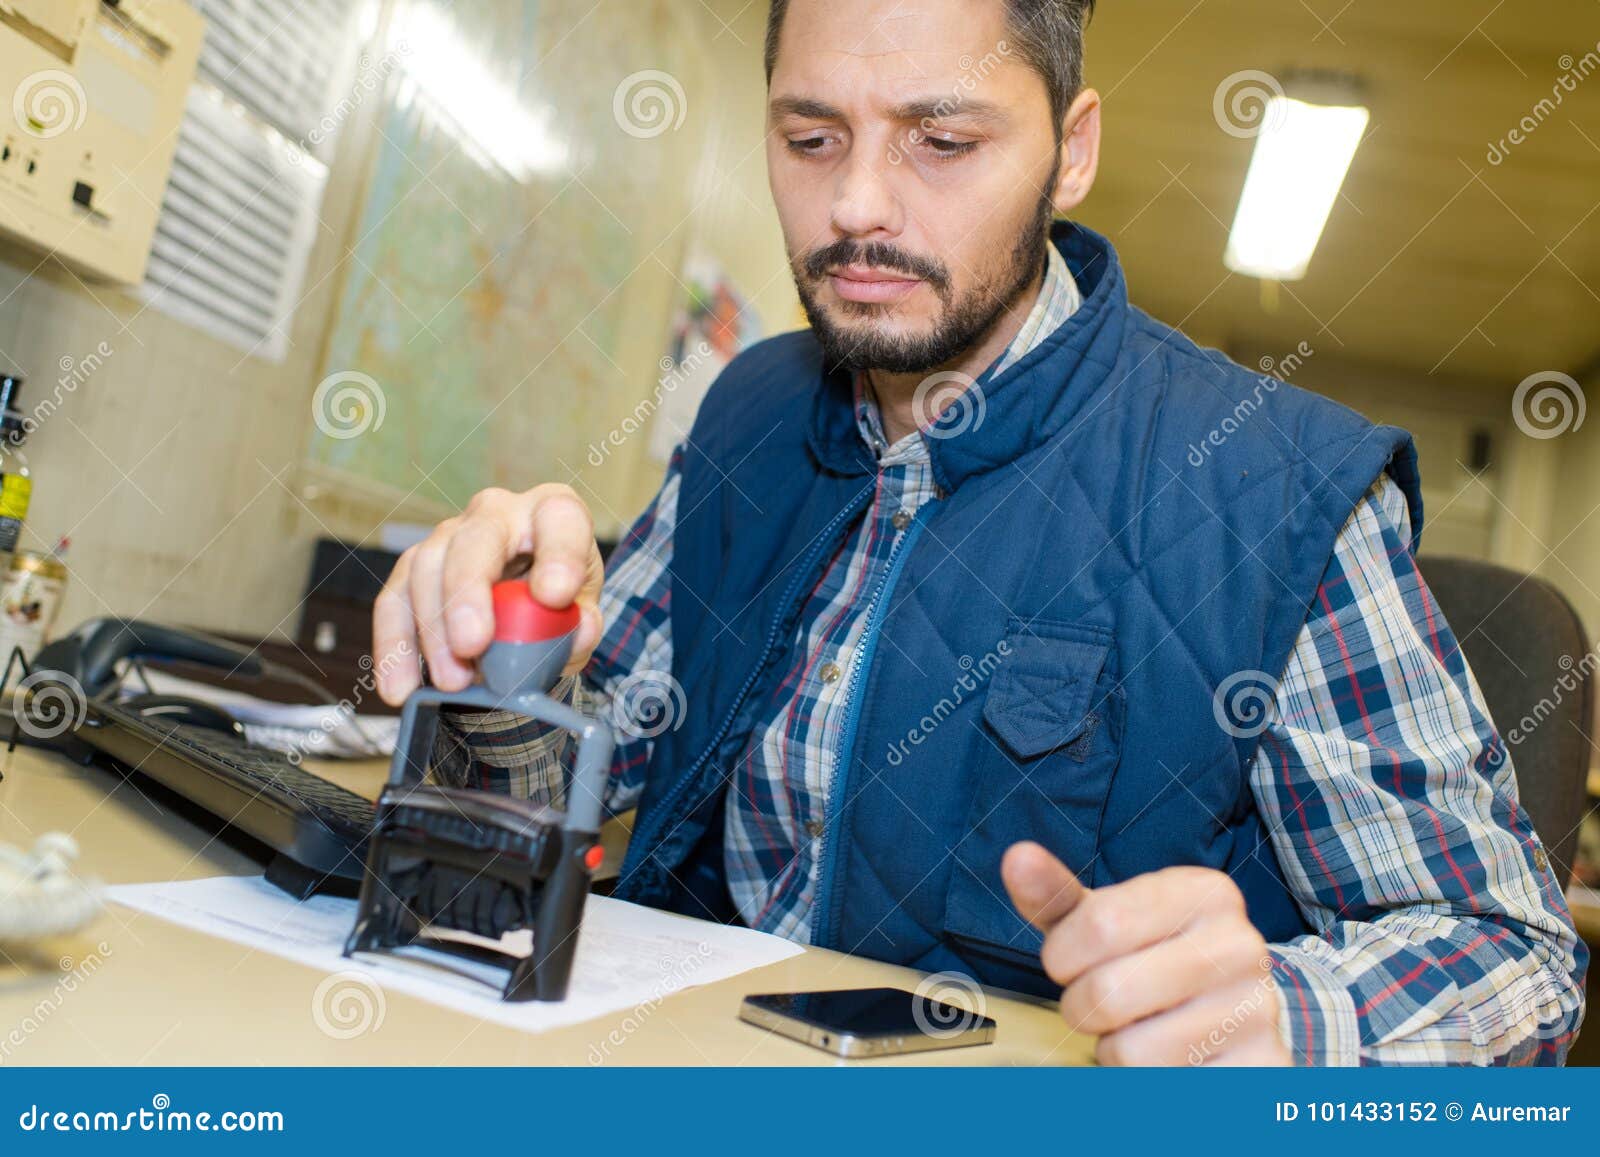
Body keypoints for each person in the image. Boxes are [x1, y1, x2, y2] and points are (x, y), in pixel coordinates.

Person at [373, 0, 1586, 1065]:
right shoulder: (748, 409)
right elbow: (597, 747)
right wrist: (499, 670)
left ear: (1071, 153)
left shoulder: (1276, 488)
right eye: (808, 138)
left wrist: (1294, 1018)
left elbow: (1515, 958)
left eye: (942, 141)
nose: (854, 205)